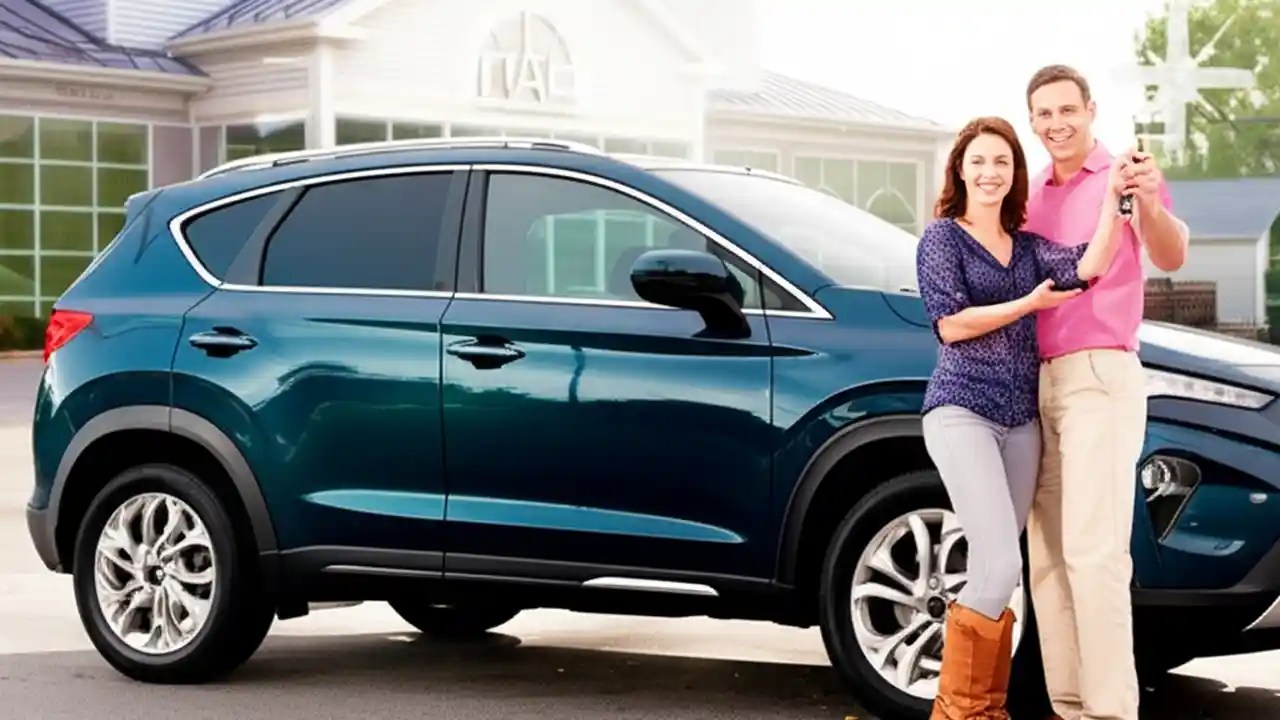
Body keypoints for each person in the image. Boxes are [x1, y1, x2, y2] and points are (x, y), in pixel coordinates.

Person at [917, 116, 1129, 719]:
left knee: (997, 568)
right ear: (960, 169)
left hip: (1020, 421)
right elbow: (951, 325)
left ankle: (981, 709)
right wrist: (1028, 304)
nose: (990, 173)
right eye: (979, 161)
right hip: (962, 411)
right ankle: (961, 713)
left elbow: (1089, 266)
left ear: (1015, 175)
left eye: (1002, 163)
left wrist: (1114, 202)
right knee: (1003, 563)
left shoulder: (1030, 246)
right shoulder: (942, 239)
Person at [1021, 64, 1190, 720]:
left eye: (1068, 110)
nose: (1057, 124)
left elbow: (1172, 256)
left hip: (1099, 376)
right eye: (1044, 114)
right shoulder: (1030, 194)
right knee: (1049, 559)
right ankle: (1071, 707)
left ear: (1090, 110)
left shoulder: (1125, 176)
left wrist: (1146, 202)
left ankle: (1112, 712)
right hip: (1038, 382)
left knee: (1093, 554)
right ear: (1032, 122)